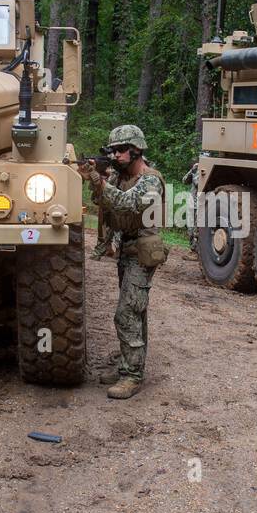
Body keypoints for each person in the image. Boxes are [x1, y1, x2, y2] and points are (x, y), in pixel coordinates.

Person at [76, 124, 167, 399]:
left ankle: (132, 376)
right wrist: (97, 179)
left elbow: (128, 204)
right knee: (135, 312)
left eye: (120, 150)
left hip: (142, 252)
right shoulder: (120, 175)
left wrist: (99, 178)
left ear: (136, 150)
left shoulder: (151, 180)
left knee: (126, 313)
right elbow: (102, 202)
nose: (114, 155)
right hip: (126, 251)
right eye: (112, 151)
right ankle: (128, 365)